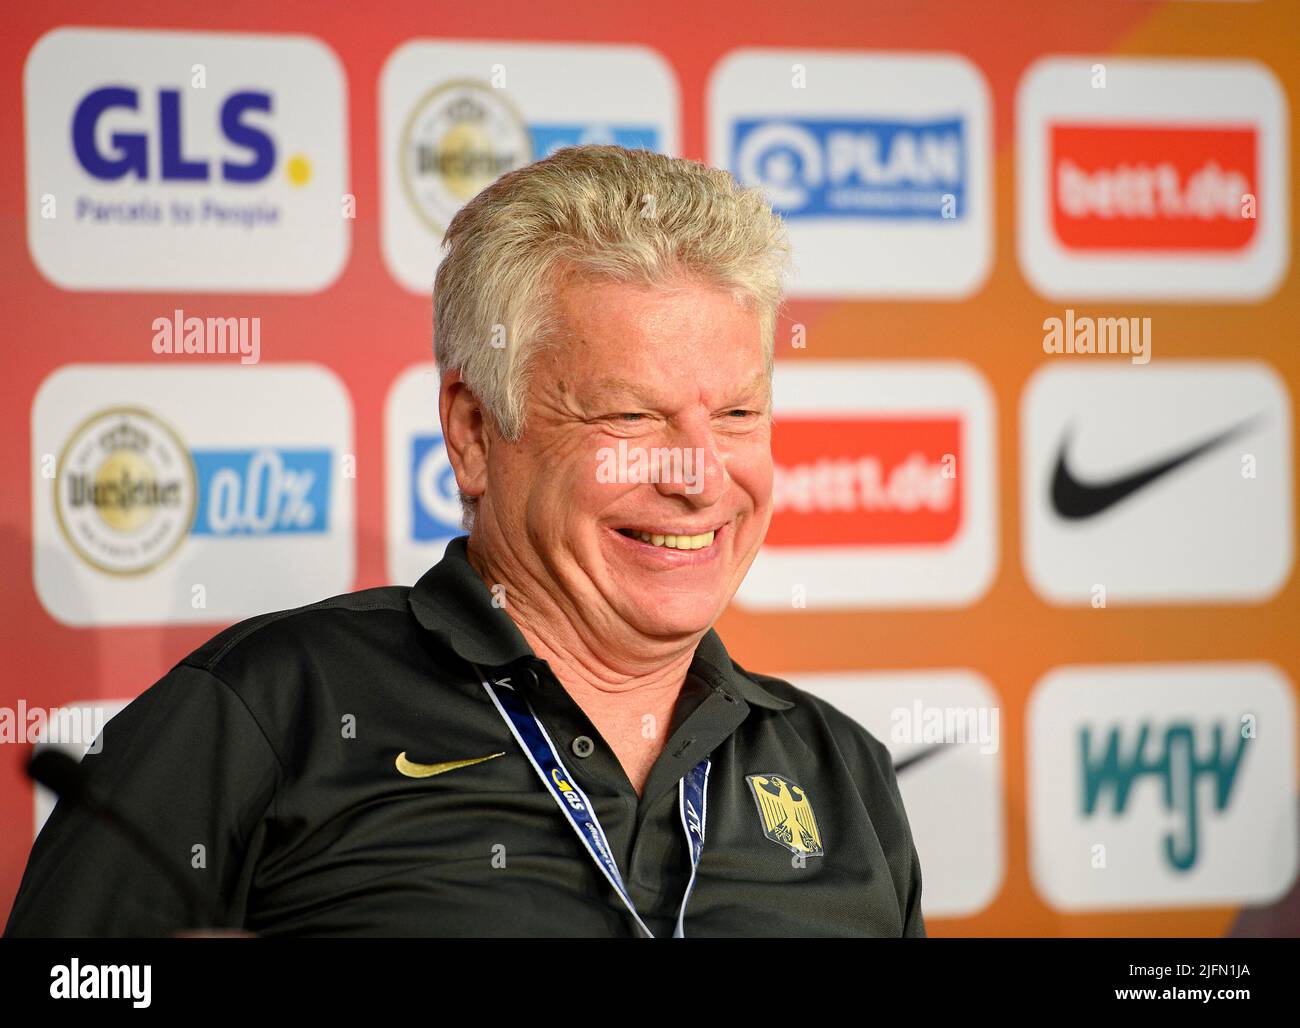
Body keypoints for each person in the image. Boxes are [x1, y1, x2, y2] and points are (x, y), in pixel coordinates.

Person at [5, 145, 924, 938]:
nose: (699, 476)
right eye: (630, 415)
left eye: (736, 414)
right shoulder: (263, 712)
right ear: (475, 433)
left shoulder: (839, 769)